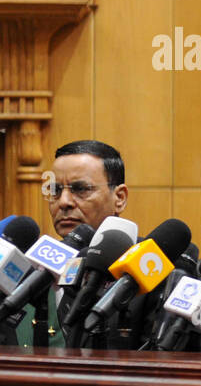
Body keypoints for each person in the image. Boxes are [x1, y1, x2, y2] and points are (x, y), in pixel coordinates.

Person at [12, 140, 132, 347]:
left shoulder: (139, 273)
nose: (64, 201)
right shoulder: (31, 271)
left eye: (81, 189)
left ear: (119, 198)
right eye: (55, 190)